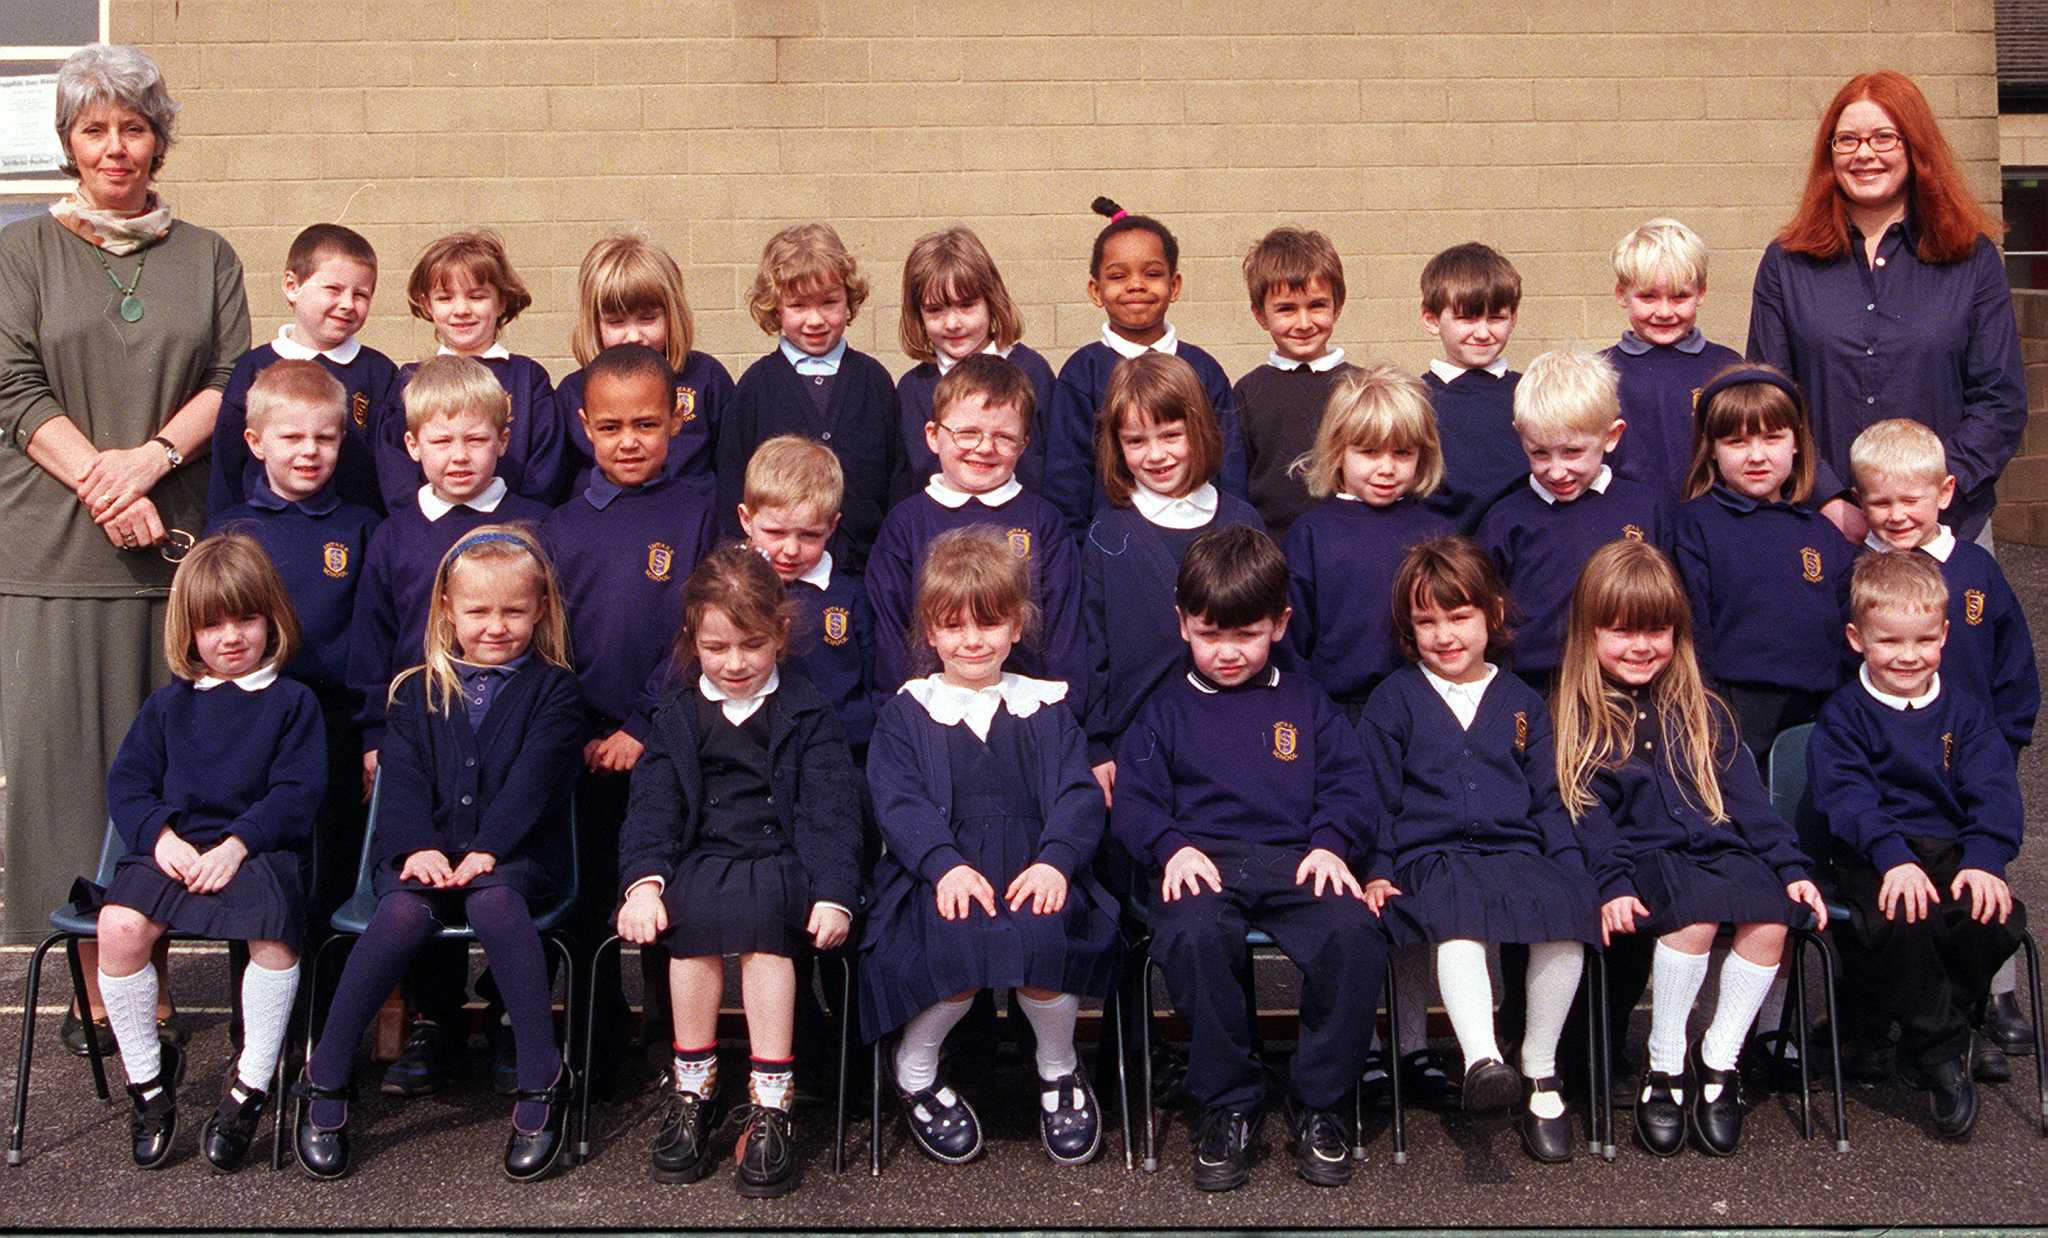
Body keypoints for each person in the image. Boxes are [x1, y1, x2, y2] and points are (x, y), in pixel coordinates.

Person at [0, 46, 250, 1055]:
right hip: (53, 555)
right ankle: (105, 985)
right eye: (95, 129)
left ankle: (150, 947)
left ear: (159, 141)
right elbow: (12, 389)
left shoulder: (209, 255)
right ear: (69, 143)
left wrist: (147, 463)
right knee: (67, 777)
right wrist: (103, 482)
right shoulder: (20, 254)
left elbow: (234, 380)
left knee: (171, 771)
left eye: (133, 128)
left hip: (174, 553)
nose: (116, 147)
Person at [295, 526, 582, 1182]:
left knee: (497, 903)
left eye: (513, 611)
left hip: (515, 856)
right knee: (400, 916)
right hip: (421, 852)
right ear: (448, 610)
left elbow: (535, 783)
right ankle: (326, 1076)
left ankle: (542, 1077)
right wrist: (417, 846)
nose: (496, 626)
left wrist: (488, 849)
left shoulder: (555, 690)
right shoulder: (414, 690)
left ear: (539, 609)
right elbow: (401, 785)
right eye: (478, 611)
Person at [1112, 526, 1386, 1191]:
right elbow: (1135, 802)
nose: (1227, 652)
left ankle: (1319, 1100)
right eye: (1210, 636)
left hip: (1297, 859)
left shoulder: (1306, 700)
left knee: (1354, 934)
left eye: (1246, 635)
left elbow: (1352, 784)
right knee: (1195, 935)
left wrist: (1330, 843)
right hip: (1202, 863)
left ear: (1281, 623)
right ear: (1182, 625)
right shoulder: (1163, 710)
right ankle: (1229, 1101)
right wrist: (1170, 847)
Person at [1555, 539, 1827, 1158]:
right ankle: (1664, 1067)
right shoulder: (1581, 717)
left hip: (1720, 849)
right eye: (1622, 631)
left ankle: (1718, 1062)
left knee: (1772, 920)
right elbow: (1588, 818)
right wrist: (1613, 884)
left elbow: (1751, 803)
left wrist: (1790, 868)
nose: (1642, 646)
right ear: (1588, 634)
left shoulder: (1704, 710)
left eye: (1657, 631)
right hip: (1645, 860)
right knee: (1696, 916)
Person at [862, 526, 1119, 1167]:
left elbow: (1077, 794)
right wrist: (942, 865)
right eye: (953, 627)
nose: (972, 641)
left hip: (1033, 865)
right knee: (955, 943)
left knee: (1043, 935)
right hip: (943, 874)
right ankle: (915, 1069)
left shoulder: (1046, 707)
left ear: (1016, 625)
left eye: (989, 624)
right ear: (929, 631)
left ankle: (1058, 1071)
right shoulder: (909, 712)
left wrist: (1057, 859)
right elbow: (898, 802)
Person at [615, 544, 863, 1197]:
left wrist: (835, 893)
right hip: (702, 859)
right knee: (687, 927)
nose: (733, 663)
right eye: (716, 647)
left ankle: (772, 1100)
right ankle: (693, 1090)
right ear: (694, 638)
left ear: (780, 635)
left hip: (780, 860)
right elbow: (652, 808)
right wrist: (643, 882)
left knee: (762, 934)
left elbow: (832, 811)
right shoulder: (676, 714)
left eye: (750, 646)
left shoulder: (807, 712)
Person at [345, 354, 551, 1095]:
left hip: (512, 741)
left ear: (503, 439)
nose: (458, 456)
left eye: (474, 439)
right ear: (412, 446)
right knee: (422, 874)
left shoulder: (534, 526)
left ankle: (500, 1016)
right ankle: (434, 1019)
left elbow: (557, 637)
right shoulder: (395, 534)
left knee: (511, 880)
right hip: (421, 747)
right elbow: (371, 642)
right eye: (441, 442)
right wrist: (374, 735)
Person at [1359, 536, 1600, 1163]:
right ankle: (1483, 1062)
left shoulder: (1522, 702)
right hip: (1430, 855)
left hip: (1513, 851)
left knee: (1562, 914)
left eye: (1459, 616)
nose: (1444, 634)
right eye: (1426, 621)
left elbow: (1548, 797)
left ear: (1491, 613)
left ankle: (1540, 1073)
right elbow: (1378, 800)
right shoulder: (1394, 700)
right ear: (1409, 630)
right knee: (1458, 916)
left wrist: (1573, 872)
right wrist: (1378, 870)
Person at [99, 533, 323, 1172]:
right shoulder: (170, 704)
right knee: (118, 927)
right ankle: (148, 1084)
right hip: (174, 847)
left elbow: (296, 792)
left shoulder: (292, 703)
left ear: (271, 618)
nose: (231, 637)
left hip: (256, 849)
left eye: (246, 619)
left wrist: (239, 843)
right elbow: (129, 784)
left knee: (274, 937)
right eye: (212, 624)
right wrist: (161, 838)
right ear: (188, 633)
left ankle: (250, 1085)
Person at [1747, 69, 2025, 546]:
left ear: (1916, 149)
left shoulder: (1971, 259)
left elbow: (1999, 401)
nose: (1865, 153)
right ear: (1828, 154)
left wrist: (1924, 500)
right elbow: (1771, 400)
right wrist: (1830, 498)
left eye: (1884, 138)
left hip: (1949, 527)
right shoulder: (1786, 263)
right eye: (1847, 140)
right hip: (1824, 527)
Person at [541, 342, 718, 1086]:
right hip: (583, 750)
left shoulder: (701, 507)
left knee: (666, 897)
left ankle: (678, 1048)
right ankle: (596, 1050)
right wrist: (582, 731)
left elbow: (701, 630)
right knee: (589, 907)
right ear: (583, 425)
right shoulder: (559, 524)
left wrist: (642, 726)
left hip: (667, 740)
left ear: (676, 419)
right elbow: (545, 637)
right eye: (610, 427)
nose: (629, 441)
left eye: (646, 423)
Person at [1808, 551, 2029, 1139]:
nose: (1908, 656)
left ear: (1945, 635)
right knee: (1904, 916)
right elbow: (1847, 798)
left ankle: (1933, 1024)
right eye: (1890, 642)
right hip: (1872, 852)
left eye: (1924, 640)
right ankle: (1938, 1055)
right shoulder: (1844, 715)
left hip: (1950, 847)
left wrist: (1985, 859)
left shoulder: (1966, 712)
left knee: (1995, 918)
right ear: (1857, 638)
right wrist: (1892, 857)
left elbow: (1994, 791)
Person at [203, 361, 381, 947]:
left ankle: (329, 1026)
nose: (310, 451)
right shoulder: (230, 532)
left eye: (325, 437)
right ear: (255, 442)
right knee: (255, 868)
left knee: (333, 864)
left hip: (334, 723)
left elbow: (373, 637)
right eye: (292, 437)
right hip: (252, 717)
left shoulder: (361, 528)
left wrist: (370, 732)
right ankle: (254, 1023)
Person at [1080, 352, 1263, 804]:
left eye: (1171, 435)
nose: (1156, 454)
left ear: (1198, 430)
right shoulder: (1108, 532)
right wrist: (1097, 744)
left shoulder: (1242, 522)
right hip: (1136, 752)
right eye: (1136, 441)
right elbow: (1091, 650)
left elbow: (1275, 643)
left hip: (1234, 741)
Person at [866, 354, 1082, 704]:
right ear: (933, 436)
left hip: (1028, 716)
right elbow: (890, 640)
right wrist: (899, 715)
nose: (984, 448)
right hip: (929, 717)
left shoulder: (1044, 522)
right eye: (967, 433)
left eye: (1004, 437)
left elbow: (1065, 636)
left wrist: (1063, 713)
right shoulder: (905, 525)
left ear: (1024, 445)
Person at [1673, 364, 1855, 757]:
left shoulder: (1822, 534)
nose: (1757, 456)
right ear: (1712, 450)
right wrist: (1709, 708)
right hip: (1734, 709)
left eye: (1772, 438)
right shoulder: (1695, 524)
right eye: (1737, 442)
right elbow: (1692, 628)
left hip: (1819, 707)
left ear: (1796, 443)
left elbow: (1848, 628)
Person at [1045, 196, 1247, 537]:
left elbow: (1229, 467)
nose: (1136, 285)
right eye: (1118, 276)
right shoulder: (1082, 372)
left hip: (1202, 543)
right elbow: (1067, 480)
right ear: (1096, 291)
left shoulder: (1202, 369)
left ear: (1175, 286)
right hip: (1112, 549)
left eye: (1152, 274)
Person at [717, 221, 909, 574]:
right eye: (799, 305)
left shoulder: (874, 382)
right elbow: (731, 489)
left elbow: (898, 484)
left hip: (862, 575)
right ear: (776, 308)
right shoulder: (755, 388)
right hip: (776, 579)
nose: (815, 319)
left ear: (848, 301)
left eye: (829, 302)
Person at [1478, 347, 1670, 696]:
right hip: (1536, 686)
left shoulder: (1644, 507)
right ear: (1520, 436)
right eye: (1539, 453)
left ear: (1611, 436)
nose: (1556, 470)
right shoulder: (1505, 520)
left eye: (1572, 452)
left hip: (1624, 684)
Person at [1850, 418, 2039, 756]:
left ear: (1945, 492)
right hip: (1878, 752)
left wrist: (2007, 740)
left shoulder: (1977, 569)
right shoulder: (1850, 574)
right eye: (1881, 503)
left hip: (1977, 750)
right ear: (1859, 500)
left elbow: (2013, 661)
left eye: (1911, 500)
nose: (1897, 515)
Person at [1283, 363, 1454, 716]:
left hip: (1424, 711)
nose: (1387, 468)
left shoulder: (1439, 533)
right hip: (1337, 711)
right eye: (1370, 452)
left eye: (1402, 453)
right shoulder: (1310, 535)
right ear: (1338, 451)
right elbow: (1292, 641)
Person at [208, 222, 393, 517]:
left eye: (361, 294)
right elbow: (226, 465)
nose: (347, 304)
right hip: (261, 533)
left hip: (352, 538)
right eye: (333, 289)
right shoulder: (253, 366)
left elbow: (389, 469)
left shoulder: (379, 372)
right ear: (292, 286)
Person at [375, 230, 568, 509]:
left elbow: (547, 466)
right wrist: (421, 520)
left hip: (511, 531)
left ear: (501, 301)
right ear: (427, 304)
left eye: (477, 297)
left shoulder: (528, 378)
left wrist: (518, 517)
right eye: (445, 298)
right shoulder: (408, 380)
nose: (462, 309)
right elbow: (394, 468)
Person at [555, 231, 731, 497]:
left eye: (648, 319)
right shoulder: (573, 391)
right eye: (616, 322)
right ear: (595, 323)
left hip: (693, 526)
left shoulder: (706, 377)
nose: (634, 336)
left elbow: (732, 470)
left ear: (672, 315)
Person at [739, 435, 876, 757]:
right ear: (746, 519)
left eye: (809, 535)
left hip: (838, 750)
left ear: (832, 526)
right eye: (775, 533)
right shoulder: (726, 588)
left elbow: (872, 681)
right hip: (754, 756)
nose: (790, 550)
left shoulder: (850, 597)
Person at [894, 226, 1056, 493]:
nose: (953, 323)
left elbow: (1053, 467)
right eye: (935, 310)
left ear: (991, 300)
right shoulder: (913, 388)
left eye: (966, 305)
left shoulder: (1032, 371)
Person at [1230, 227, 1357, 539]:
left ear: (1337, 307)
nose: (1303, 323)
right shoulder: (1247, 392)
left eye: (1316, 305)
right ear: (1260, 316)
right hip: (1272, 552)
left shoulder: (1363, 388)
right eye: (1286, 309)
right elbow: (1234, 487)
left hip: (1348, 546)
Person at [1602, 219, 1742, 498]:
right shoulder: (1599, 372)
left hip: (1710, 519)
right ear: (1622, 294)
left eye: (1679, 297)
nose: (1664, 312)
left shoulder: (1727, 367)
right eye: (1648, 297)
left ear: (1701, 292)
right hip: (1631, 525)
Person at [1416, 242, 1523, 534]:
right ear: (1431, 320)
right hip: (1445, 562)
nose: (1483, 333)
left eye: (1496, 318)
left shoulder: (1534, 393)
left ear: (1512, 318)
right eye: (1467, 318)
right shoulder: (1413, 401)